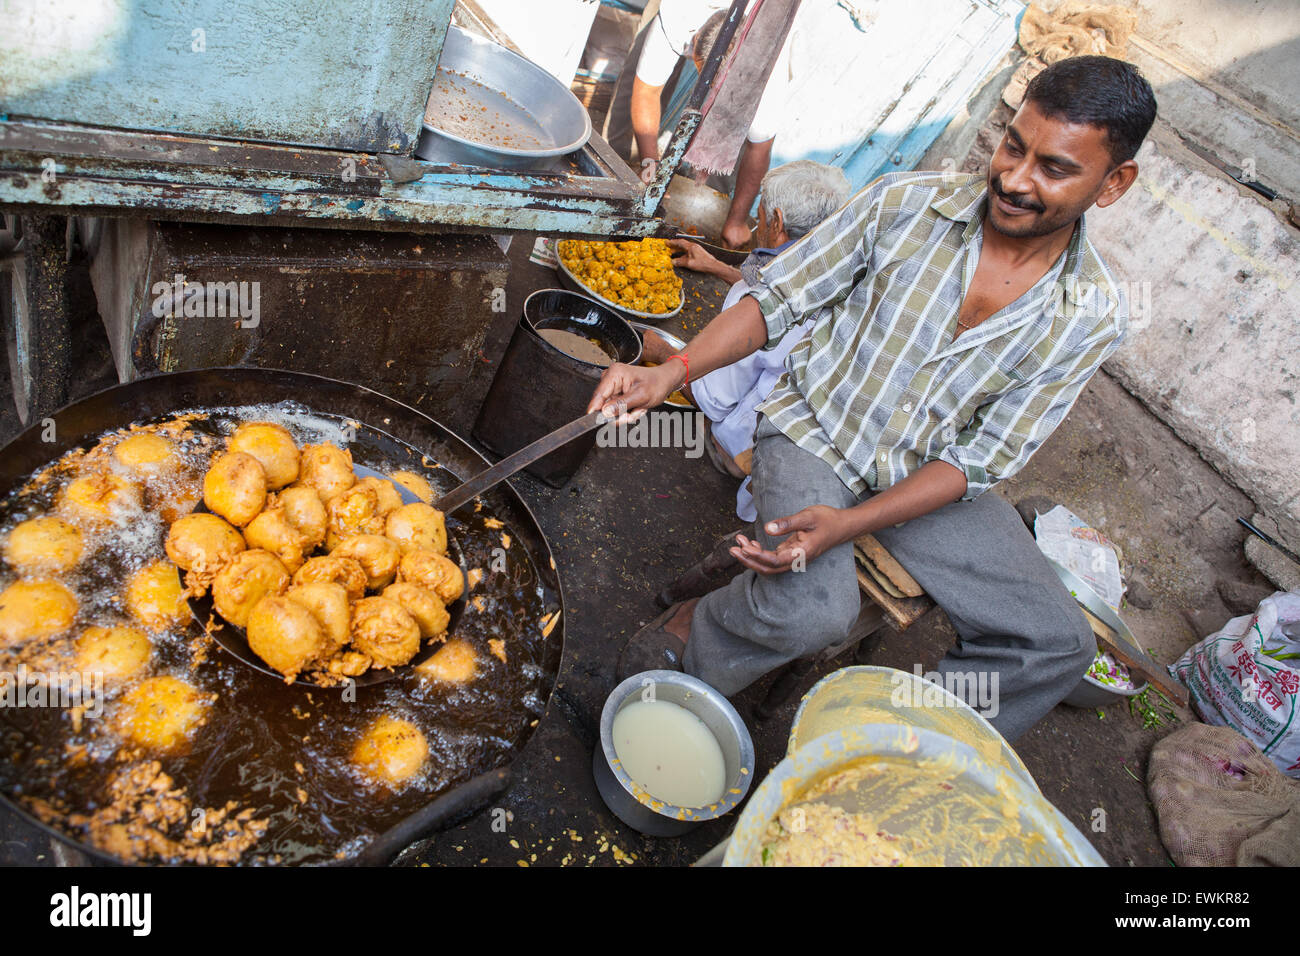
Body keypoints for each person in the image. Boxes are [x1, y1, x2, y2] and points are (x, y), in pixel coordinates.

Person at [588, 56, 1158, 741]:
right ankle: (693, 630)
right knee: (810, 612)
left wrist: (852, 523)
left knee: (1056, 644)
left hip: (929, 481)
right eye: (1014, 145)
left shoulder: (1090, 312)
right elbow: (778, 296)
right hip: (816, 434)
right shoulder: (905, 204)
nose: (1014, 179)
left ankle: (881, 749)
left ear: (1113, 183)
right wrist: (671, 370)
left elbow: (982, 459)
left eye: (1054, 168)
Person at [646, 160, 851, 520]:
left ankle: (721, 459)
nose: (757, 220)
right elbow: (783, 302)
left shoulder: (751, 299)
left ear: (776, 220)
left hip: (746, 452)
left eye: (760, 212)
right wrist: (717, 267)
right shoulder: (840, 275)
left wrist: (660, 350)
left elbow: (713, 401)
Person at [606, 1, 793, 248]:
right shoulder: (678, 17)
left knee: (735, 122)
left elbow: (759, 147)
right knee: (630, 94)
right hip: (686, 15)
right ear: (693, 48)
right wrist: (650, 162)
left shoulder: (767, 68)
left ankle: (719, 206)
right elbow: (646, 92)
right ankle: (613, 182)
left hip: (762, 25)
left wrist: (737, 221)